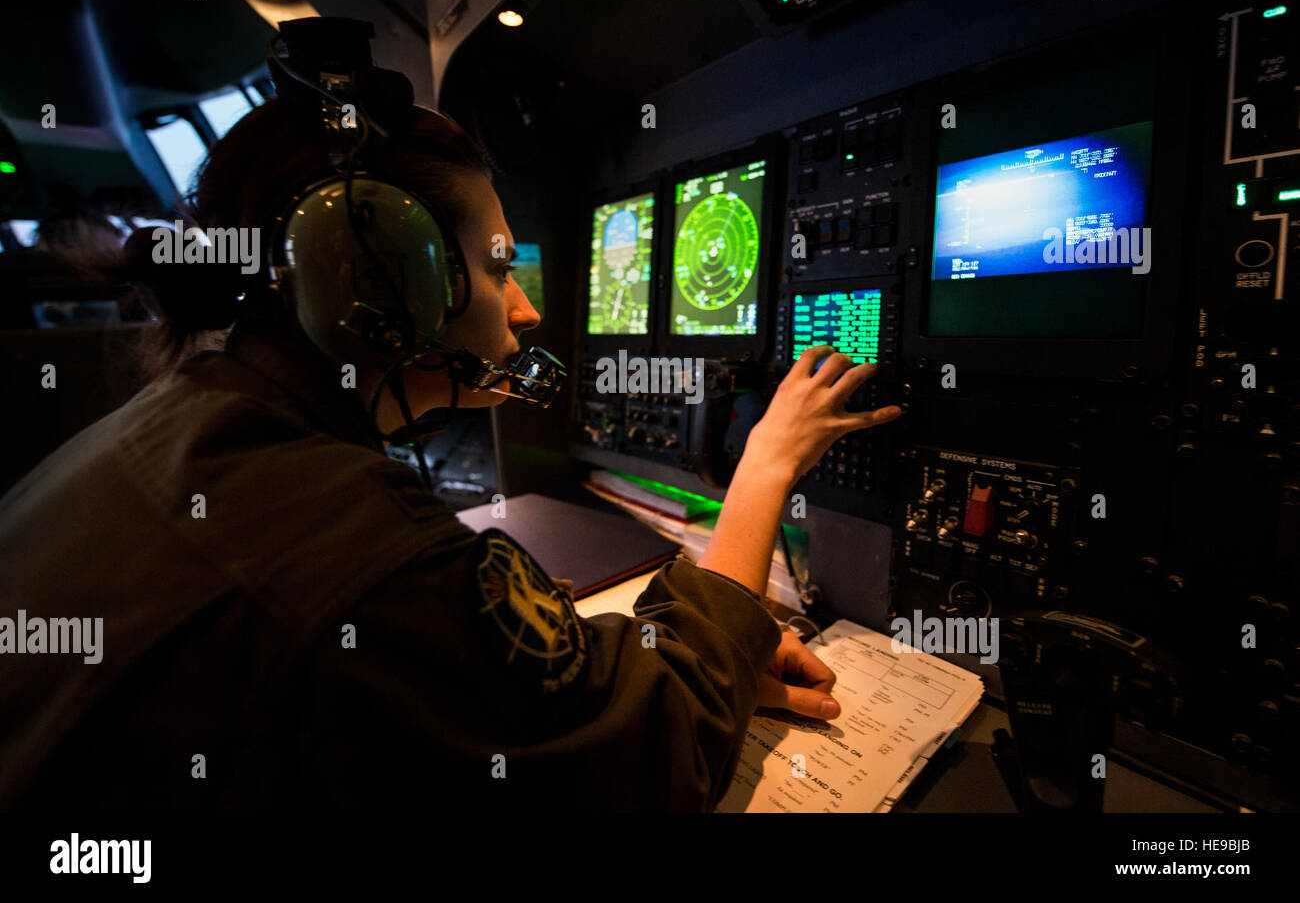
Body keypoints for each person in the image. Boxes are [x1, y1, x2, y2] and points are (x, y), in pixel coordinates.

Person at [0, 92, 902, 812]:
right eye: (499, 266)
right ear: (388, 280)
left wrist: (724, 655)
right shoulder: (358, 544)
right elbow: (650, 764)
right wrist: (766, 466)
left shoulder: (191, 419)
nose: (526, 312)